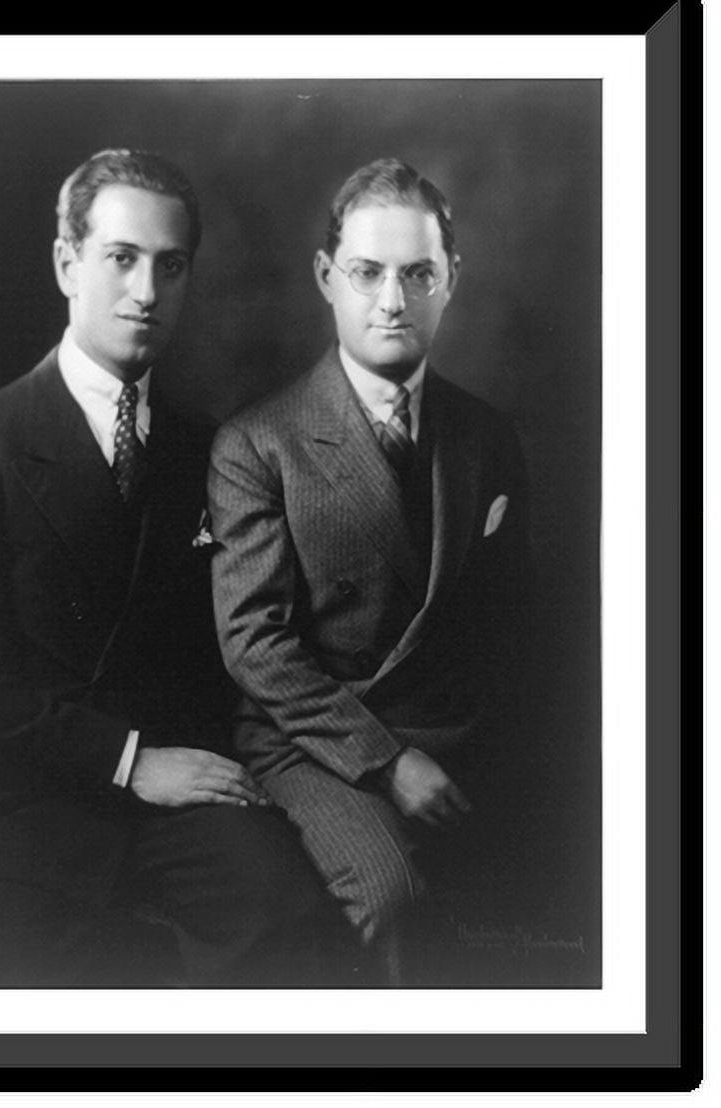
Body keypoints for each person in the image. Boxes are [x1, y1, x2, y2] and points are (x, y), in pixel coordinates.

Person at [0, 148, 346, 987]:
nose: (147, 292)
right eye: (121, 259)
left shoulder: (211, 447)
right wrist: (128, 760)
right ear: (66, 264)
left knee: (291, 919)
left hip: (181, 790)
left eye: (170, 265)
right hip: (19, 800)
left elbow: (241, 641)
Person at [208, 158, 533, 985]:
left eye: (418, 274)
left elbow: (507, 622)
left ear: (451, 280)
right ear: (327, 277)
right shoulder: (259, 442)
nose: (392, 301)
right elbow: (257, 649)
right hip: (314, 737)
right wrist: (391, 763)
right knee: (394, 894)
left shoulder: (486, 432)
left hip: (454, 726)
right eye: (367, 273)